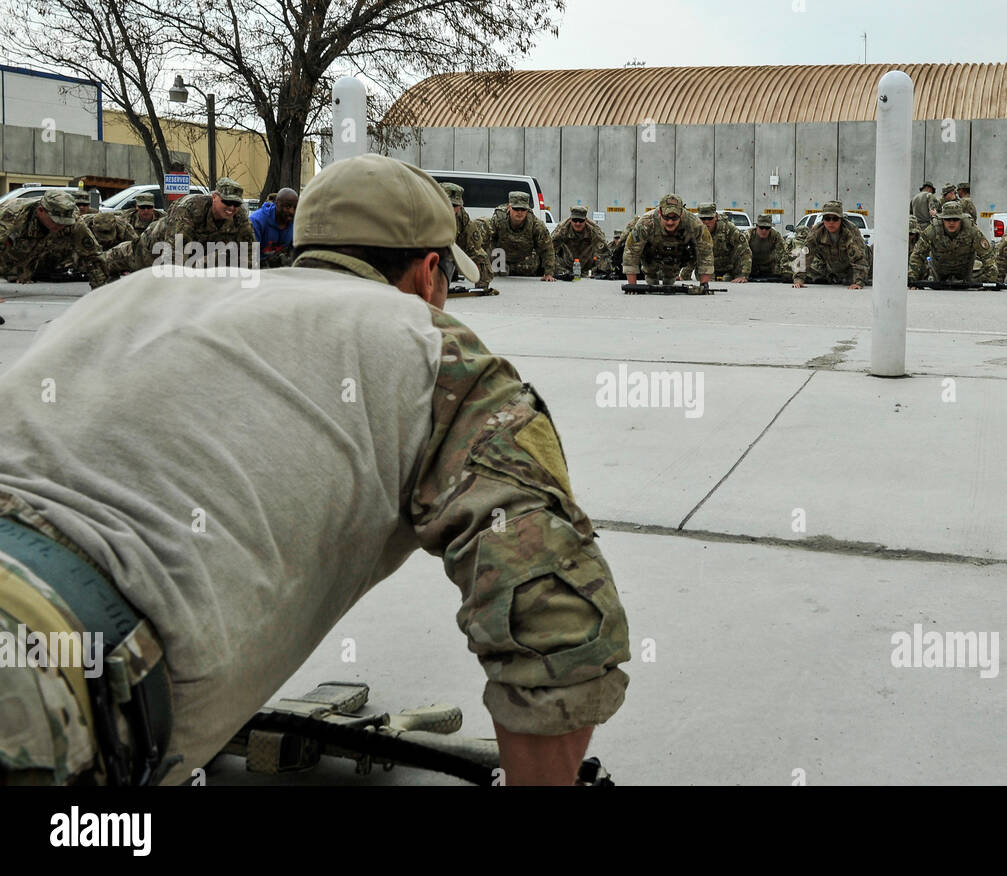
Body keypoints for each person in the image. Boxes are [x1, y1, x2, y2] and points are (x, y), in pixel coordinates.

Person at [0, 153, 629, 787]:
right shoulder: (435, 351)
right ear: (430, 272)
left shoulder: (138, 293)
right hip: (46, 674)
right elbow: (560, 624)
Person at [103, 178, 256, 275]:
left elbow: (248, 252)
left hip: (194, 254)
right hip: (152, 249)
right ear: (214, 197)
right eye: (227, 202)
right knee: (109, 262)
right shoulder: (190, 208)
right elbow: (174, 256)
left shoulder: (239, 216)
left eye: (236, 204)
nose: (232, 207)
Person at [0, 190, 107, 287]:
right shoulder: (10, 216)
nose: (60, 225)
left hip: (41, 252)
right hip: (10, 251)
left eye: (64, 222)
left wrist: (99, 292)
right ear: (40, 211)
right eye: (55, 221)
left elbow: (93, 256)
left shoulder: (73, 221)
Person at [622, 193, 713, 285]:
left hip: (676, 256)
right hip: (651, 255)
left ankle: (670, 275)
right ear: (659, 212)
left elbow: (706, 253)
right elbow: (631, 251)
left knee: (669, 281)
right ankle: (650, 274)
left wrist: (704, 284)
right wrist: (632, 285)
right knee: (651, 280)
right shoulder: (646, 222)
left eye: (674, 218)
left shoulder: (695, 225)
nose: (670, 222)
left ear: (681, 214)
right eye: (666, 217)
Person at [908, 200, 994, 285]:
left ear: (961, 219)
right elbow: (918, 254)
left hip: (965, 271)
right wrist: (912, 279)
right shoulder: (933, 230)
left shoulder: (971, 230)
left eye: (955, 219)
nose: (951, 223)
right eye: (948, 219)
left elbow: (987, 255)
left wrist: (991, 281)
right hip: (939, 271)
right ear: (942, 219)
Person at [479, 191, 556, 280]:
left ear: (527, 210)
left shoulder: (536, 225)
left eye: (523, 209)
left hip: (525, 262)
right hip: (500, 260)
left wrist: (548, 273)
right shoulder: (498, 220)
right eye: (516, 209)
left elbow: (547, 248)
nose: (519, 212)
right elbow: (483, 241)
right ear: (509, 207)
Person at [792, 200, 869, 289]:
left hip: (862, 265)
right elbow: (805, 254)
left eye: (835, 219)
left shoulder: (850, 231)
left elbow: (859, 257)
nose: (831, 222)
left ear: (841, 219)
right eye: (827, 218)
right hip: (835, 269)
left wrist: (858, 282)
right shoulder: (817, 231)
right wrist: (798, 280)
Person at [439, 182, 492, 287]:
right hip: (427, 249)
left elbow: (475, 245)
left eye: (455, 205)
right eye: (448, 203)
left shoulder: (462, 217)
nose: (452, 209)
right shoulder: (425, 212)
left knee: (480, 255)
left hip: (452, 247)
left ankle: (481, 286)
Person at [687, 203, 749, 282]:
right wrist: (684, 276)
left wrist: (743, 275)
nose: (706, 222)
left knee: (727, 279)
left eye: (710, 218)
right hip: (706, 270)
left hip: (729, 269)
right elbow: (691, 254)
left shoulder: (728, 229)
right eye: (703, 219)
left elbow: (744, 250)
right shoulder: (695, 231)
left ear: (716, 217)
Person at [551, 205, 612, 278]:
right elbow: (550, 249)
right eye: (575, 220)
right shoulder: (562, 229)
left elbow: (604, 253)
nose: (577, 223)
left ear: (585, 220)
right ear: (570, 219)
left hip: (588, 269)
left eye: (581, 221)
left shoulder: (594, 231)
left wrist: (601, 270)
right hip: (566, 267)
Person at [249, 187, 298, 268]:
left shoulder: (295, 222)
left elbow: (296, 252)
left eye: (295, 207)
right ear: (277, 203)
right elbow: (250, 256)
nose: (292, 211)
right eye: (288, 207)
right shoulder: (257, 221)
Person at [747, 214, 791, 281]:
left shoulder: (775, 235)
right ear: (756, 227)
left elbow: (784, 254)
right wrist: (742, 274)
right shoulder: (749, 234)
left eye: (767, 228)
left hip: (769, 269)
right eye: (761, 227)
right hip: (750, 267)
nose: (764, 231)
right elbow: (741, 253)